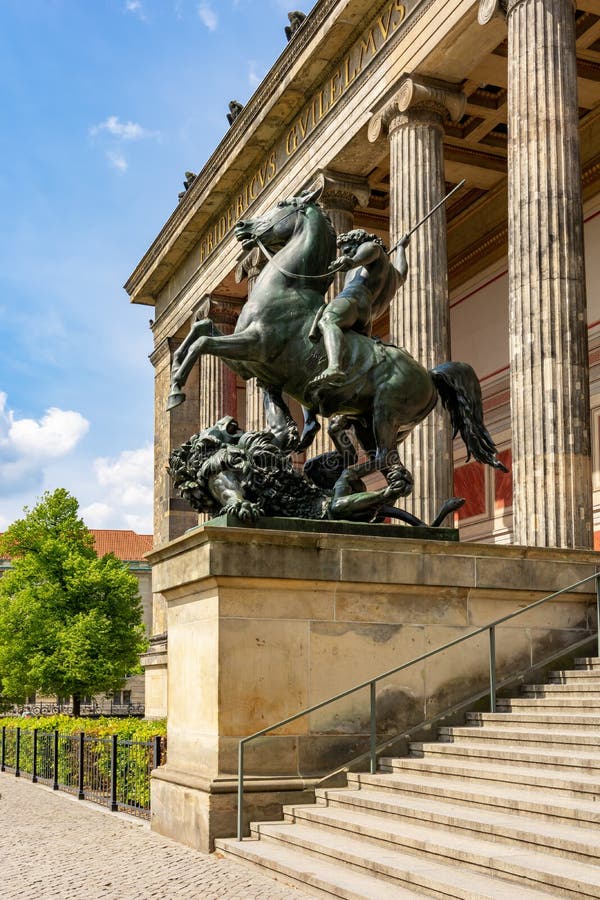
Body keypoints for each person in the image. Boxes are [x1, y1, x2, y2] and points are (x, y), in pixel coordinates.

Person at [308, 229, 409, 390]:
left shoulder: (371, 249)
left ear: (358, 243)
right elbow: (401, 275)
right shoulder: (386, 271)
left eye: (347, 249)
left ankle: (335, 366)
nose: (345, 253)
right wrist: (401, 249)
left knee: (328, 321)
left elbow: (370, 249)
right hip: (365, 317)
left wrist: (352, 261)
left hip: (352, 301)